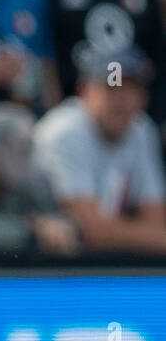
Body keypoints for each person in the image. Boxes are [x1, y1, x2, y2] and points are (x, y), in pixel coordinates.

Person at [31, 46, 166, 255]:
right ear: (84, 90)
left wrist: (151, 235)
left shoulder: (140, 128)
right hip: (30, 259)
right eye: (112, 87)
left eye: (132, 88)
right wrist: (152, 236)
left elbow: (156, 218)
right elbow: (92, 231)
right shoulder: (64, 130)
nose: (123, 99)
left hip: (93, 263)